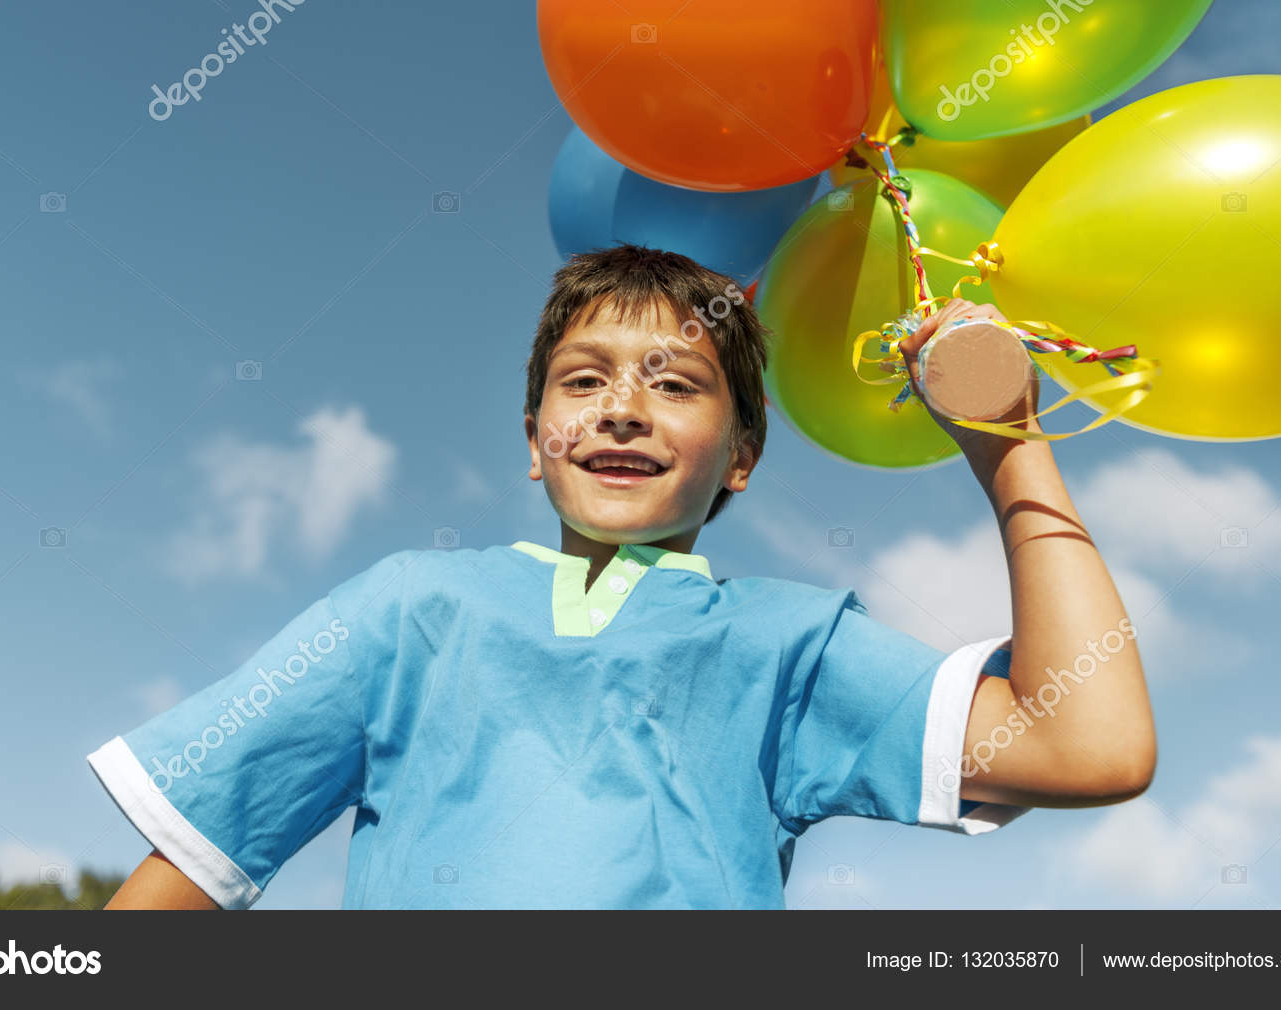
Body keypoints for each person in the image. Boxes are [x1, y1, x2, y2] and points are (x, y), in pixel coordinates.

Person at [89, 244, 1156, 910]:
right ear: (534, 435)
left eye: (677, 383)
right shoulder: (404, 608)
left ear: (740, 457)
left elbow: (1092, 745)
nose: (621, 407)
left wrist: (1008, 441)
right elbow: (192, 869)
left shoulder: (792, 639)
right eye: (584, 376)